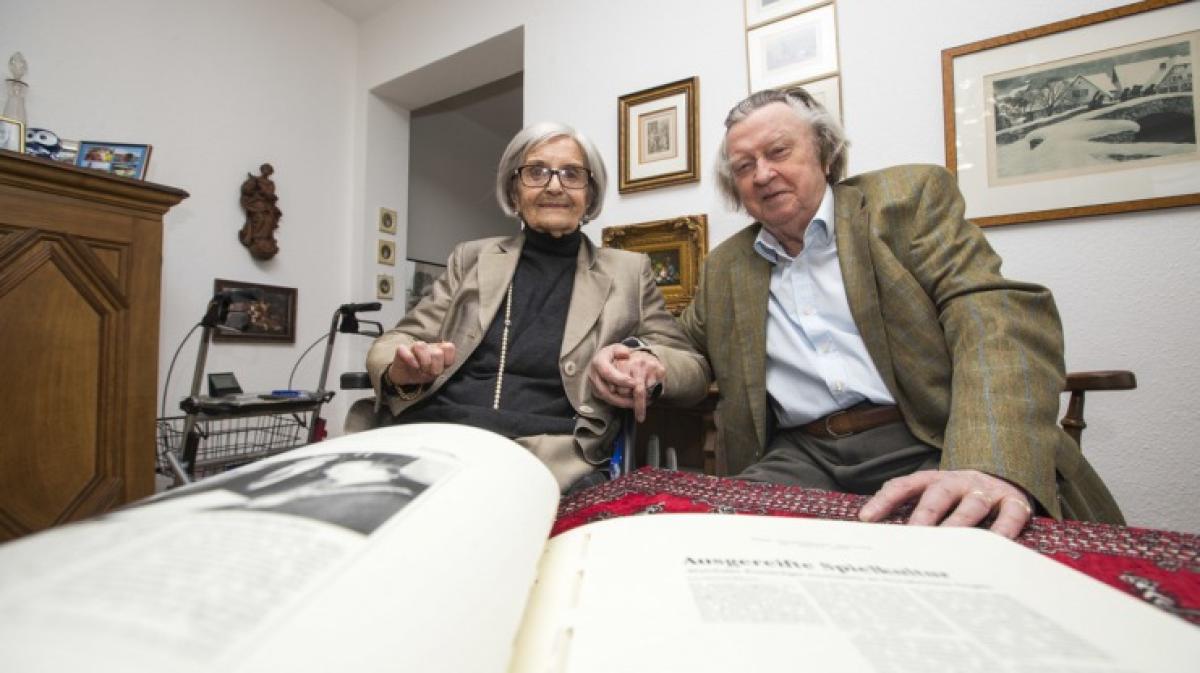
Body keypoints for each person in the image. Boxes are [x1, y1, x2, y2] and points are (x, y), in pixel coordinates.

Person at [590, 88, 1123, 538]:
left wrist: (983, 462)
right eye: (744, 166)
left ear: (824, 153)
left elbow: (992, 313)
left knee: (973, 553)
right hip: (803, 454)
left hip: (927, 436)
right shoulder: (729, 264)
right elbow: (688, 348)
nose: (763, 173)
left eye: (779, 151)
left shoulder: (907, 201)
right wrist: (645, 359)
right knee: (718, 543)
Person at [365, 122, 710, 493]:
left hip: (548, 453)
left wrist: (645, 358)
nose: (555, 185)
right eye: (536, 171)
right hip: (436, 433)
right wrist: (400, 369)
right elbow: (399, 339)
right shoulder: (471, 258)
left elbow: (693, 370)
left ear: (589, 194)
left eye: (572, 174)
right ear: (514, 191)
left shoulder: (628, 271)